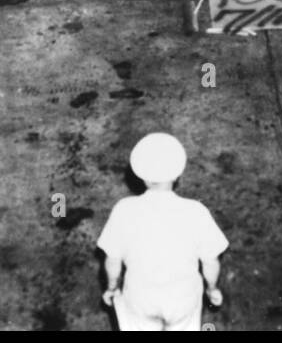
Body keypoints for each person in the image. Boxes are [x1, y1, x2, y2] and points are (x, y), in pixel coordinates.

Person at [98, 132, 229, 331]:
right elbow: (211, 261)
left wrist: (112, 288)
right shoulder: (196, 211)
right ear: (177, 174)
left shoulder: (123, 210)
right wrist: (212, 289)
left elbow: (112, 261)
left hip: (141, 298)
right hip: (183, 298)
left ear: (140, 175)